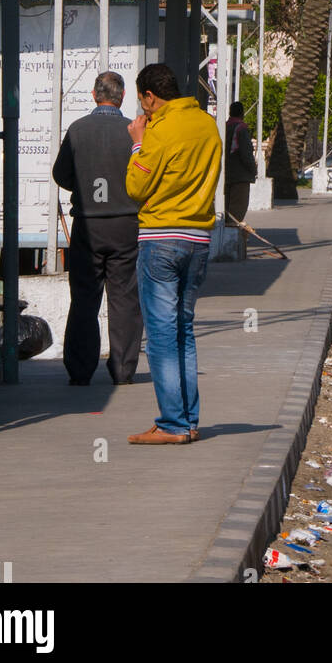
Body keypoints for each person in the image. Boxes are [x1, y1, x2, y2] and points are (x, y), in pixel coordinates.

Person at [125, 63, 221, 444]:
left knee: (162, 333)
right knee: (184, 328)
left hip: (162, 237)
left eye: (143, 102)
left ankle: (173, 424)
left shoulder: (160, 130)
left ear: (151, 95)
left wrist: (137, 141)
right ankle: (188, 419)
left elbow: (135, 185)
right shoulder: (206, 124)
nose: (143, 111)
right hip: (198, 238)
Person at [52, 71, 142, 387]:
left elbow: (61, 174)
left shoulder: (78, 130)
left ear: (94, 95)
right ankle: (123, 369)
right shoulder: (132, 131)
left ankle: (79, 369)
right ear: (122, 97)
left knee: (85, 299)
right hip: (126, 224)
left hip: (88, 225)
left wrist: (84, 184)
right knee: (125, 299)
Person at [224, 100, 257, 225]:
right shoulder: (241, 128)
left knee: (226, 207)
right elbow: (246, 153)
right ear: (242, 113)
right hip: (240, 175)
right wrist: (253, 170)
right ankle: (232, 237)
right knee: (238, 208)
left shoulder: (225, 126)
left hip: (225, 175)